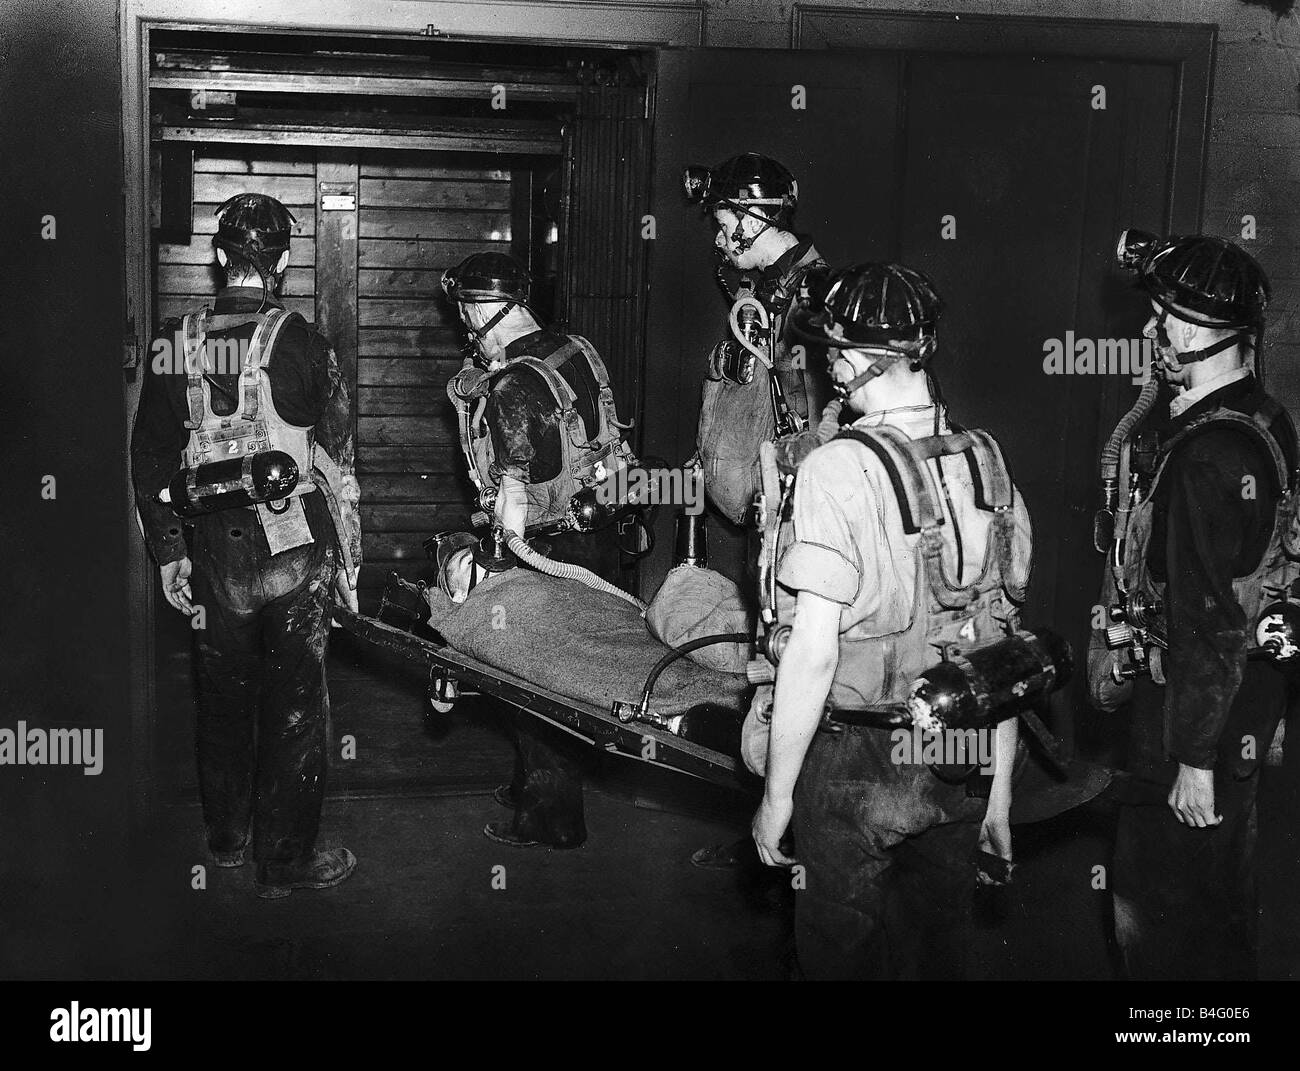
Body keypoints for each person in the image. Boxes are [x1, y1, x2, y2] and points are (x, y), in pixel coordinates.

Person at [749, 262, 1032, 979]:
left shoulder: (835, 470)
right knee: (937, 953)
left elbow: (811, 654)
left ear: (853, 361)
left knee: (839, 956)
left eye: (831, 351)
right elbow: (1002, 649)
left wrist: (776, 796)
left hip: (857, 763)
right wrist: (1000, 794)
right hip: (962, 754)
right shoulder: (989, 461)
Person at [131, 192, 361, 899]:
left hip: (214, 555)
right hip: (293, 553)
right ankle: (286, 860)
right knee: (293, 702)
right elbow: (340, 460)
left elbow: (150, 458)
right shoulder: (308, 344)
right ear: (284, 262)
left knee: (222, 692)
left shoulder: (175, 341)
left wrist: (170, 551)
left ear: (222, 257)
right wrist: (348, 554)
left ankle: (227, 838)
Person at [1090, 230, 1291, 979]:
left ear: (1205, 334)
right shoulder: (1263, 419)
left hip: (1191, 713)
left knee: (1160, 919)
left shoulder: (1209, 455)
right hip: (1248, 701)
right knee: (1220, 905)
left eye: (1164, 316)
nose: (1152, 332)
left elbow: (1207, 618)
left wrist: (1191, 760)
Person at [442, 251, 638, 849]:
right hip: (600, 536)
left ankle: (551, 819)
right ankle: (534, 782)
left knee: (536, 680)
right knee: (574, 672)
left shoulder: (509, 388)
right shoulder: (576, 350)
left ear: (480, 310)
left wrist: (492, 554)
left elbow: (514, 502)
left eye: (464, 313)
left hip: (548, 550)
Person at [682, 151, 831, 530]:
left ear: (750, 219)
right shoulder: (765, 291)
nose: (718, 238)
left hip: (806, 505)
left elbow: (821, 418)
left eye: (722, 222)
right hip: (773, 499)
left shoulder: (812, 294)